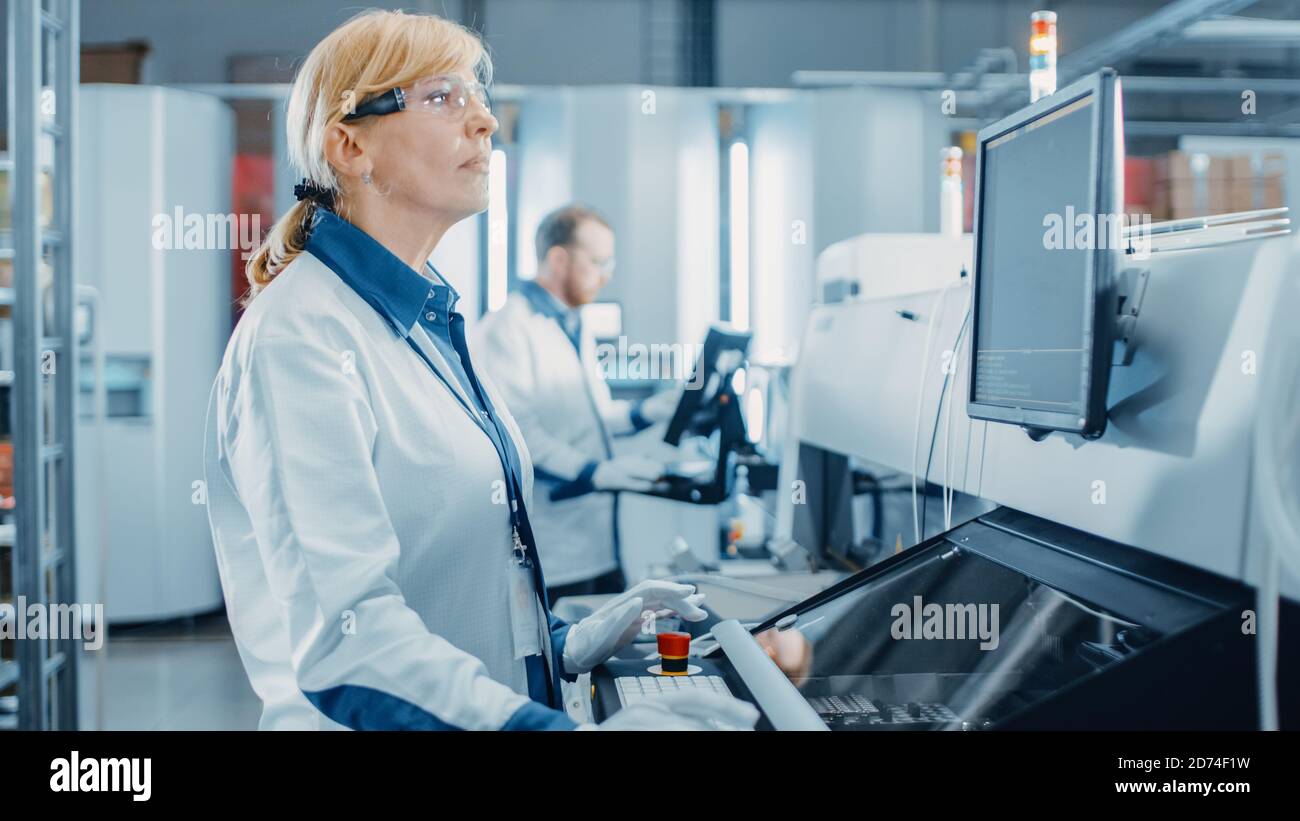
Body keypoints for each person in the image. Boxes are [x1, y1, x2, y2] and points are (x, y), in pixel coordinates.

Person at [202, 9, 756, 732]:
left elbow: (453, 588)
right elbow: (353, 647)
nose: (485, 122)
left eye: (479, 97)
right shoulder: (300, 339)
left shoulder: (429, 323)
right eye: (442, 97)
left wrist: (560, 644)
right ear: (349, 145)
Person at [473, 206, 680, 601]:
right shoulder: (508, 329)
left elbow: (590, 419)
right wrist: (595, 472)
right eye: (599, 261)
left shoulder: (572, 322)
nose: (607, 274)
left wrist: (646, 413)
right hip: (554, 548)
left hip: (598, 544)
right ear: (558, 258)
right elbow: (519, 439)